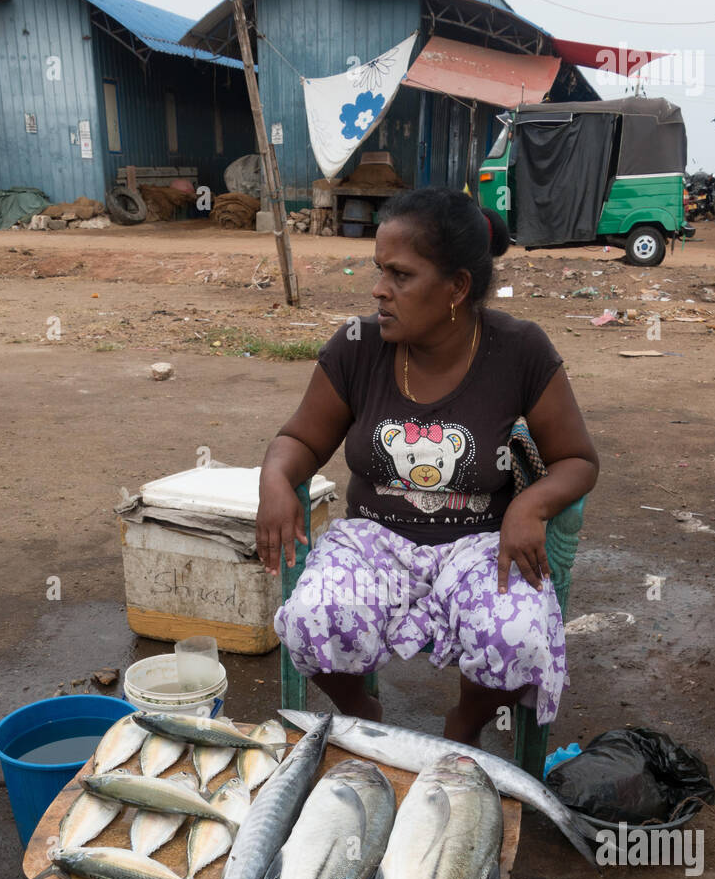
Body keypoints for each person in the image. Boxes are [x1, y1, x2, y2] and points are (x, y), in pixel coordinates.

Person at [256, 188, 599, 746]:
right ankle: (359, 705)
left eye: (400, 275)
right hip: (372, 542)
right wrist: (274, 477)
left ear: (457, 288)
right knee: (313, 619)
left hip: (479, 547)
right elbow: (300, 437)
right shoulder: (357, 345)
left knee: (517, 637)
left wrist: (530, 505)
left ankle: (465, 722)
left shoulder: (518, 350)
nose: (379, 290)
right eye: (378, 271)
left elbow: (576, 459)